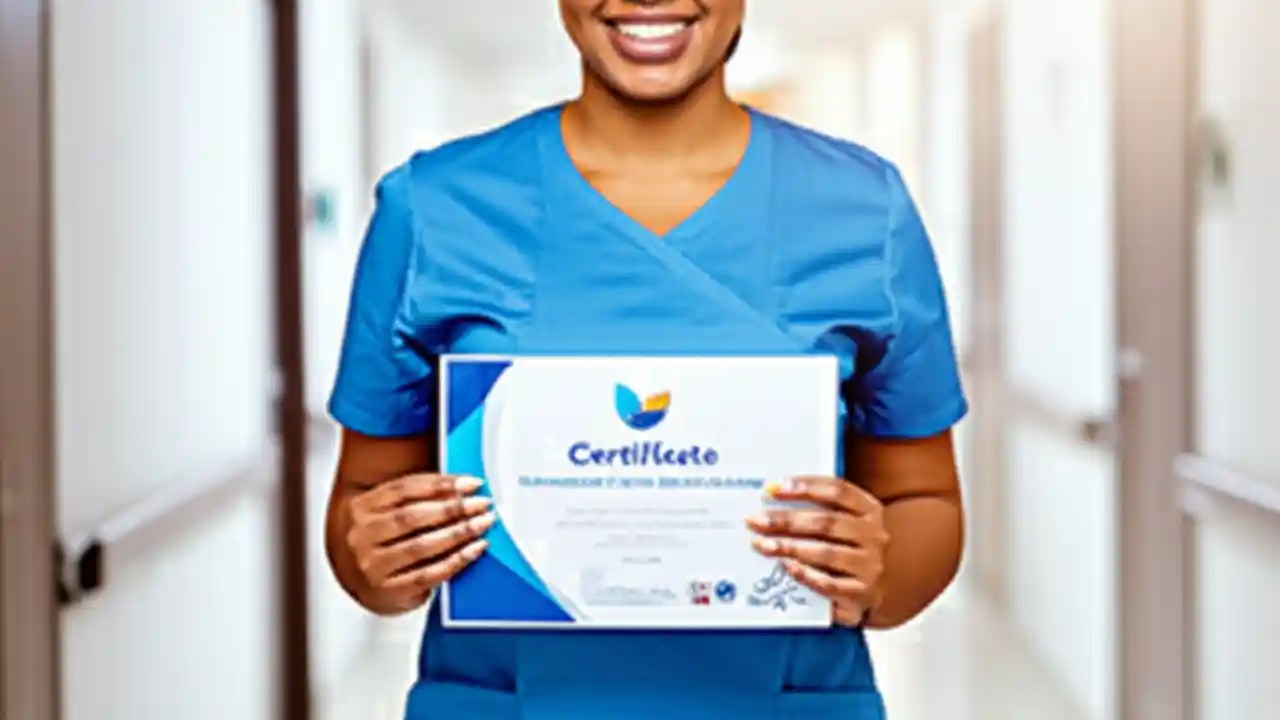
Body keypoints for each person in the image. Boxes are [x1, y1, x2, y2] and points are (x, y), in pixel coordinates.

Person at [325, 1, 967, 718]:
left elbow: (924, 500)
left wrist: (878, 574)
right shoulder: (435, 207)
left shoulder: (860, 205)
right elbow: (360, 509)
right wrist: (379, 561)